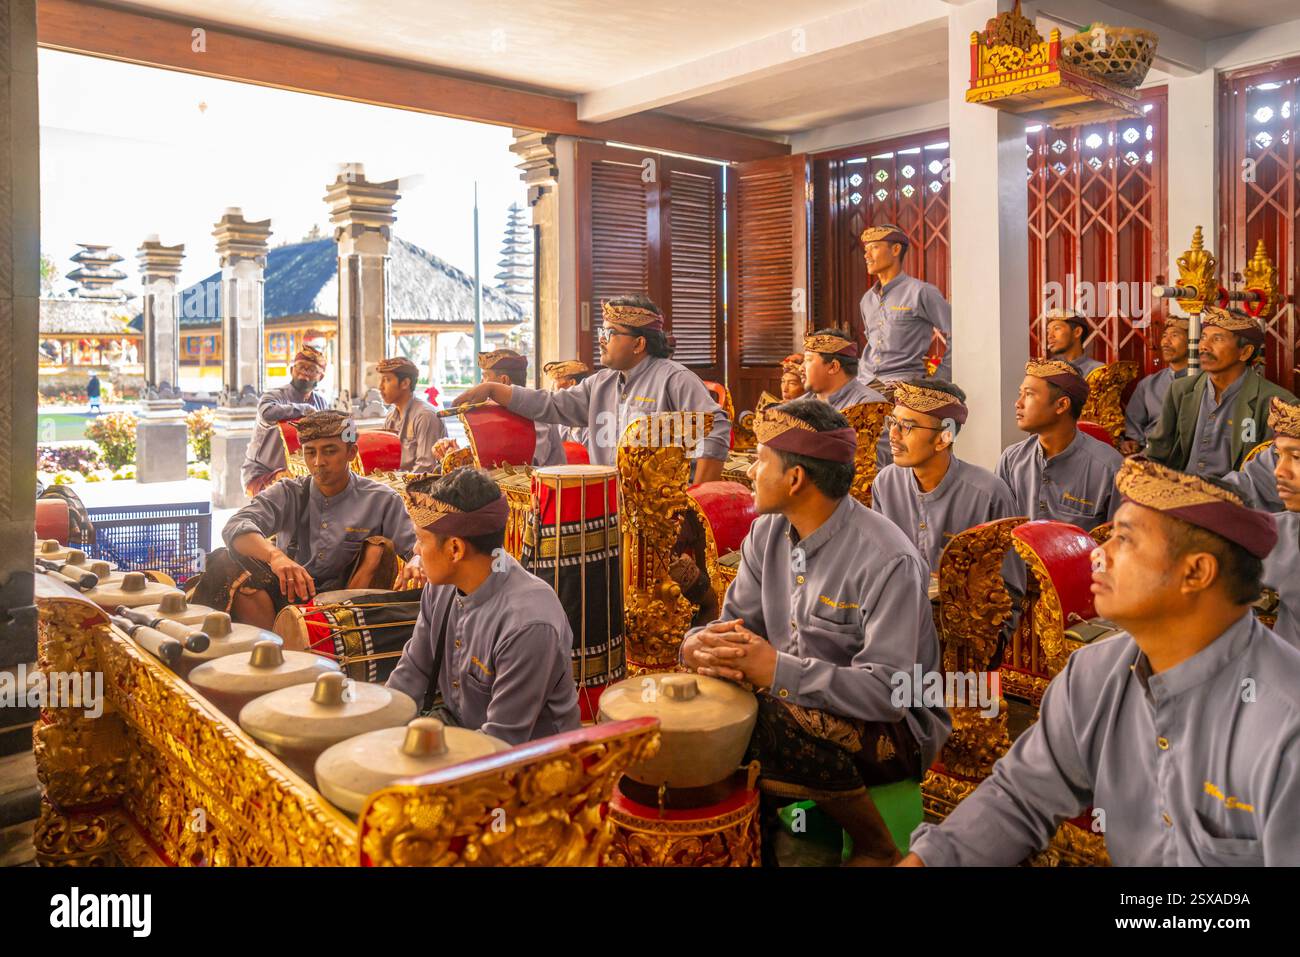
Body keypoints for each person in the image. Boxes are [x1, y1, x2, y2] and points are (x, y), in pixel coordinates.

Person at [902, 457, 1299, 866]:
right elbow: (1019, 798)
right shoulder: (1093, 674)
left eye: (1124, 539)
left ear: (1196, 572)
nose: (1097, 554)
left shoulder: (1285, 722)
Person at [680, 398, 950, 866]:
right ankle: (755, 830)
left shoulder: (888, 559)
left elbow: (891, 691)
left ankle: (876, 845)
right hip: (792, 705)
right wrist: (699, 646)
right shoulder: (766, 535)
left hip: (893, 729)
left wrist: (776, 670)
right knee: (700, 704)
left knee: (768, 719)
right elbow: (733, 623)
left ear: (796, 478)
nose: (750, 471)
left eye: (761, 459)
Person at [386, 468, 582, 745]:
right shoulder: (439, 587)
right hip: (465, 738)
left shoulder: (529, 624)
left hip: (533, 767)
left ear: (455, 549)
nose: (416, 551)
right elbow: (414, 672)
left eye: (421, 539)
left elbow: (503, 739)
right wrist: (374, 734)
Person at [452, 297, 731, 482]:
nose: (601, 339)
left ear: (639, 344)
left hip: (658, 518)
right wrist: (493, 390)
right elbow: (551, 404)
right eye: (602, 330)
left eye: (610, 333)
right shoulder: (602, 383)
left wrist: (695, 508)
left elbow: (715, 429)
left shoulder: (673, 379)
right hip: (607, 507)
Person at [201, 410, 419, 629]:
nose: (318, 462)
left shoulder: (381, 499)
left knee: (378, 548)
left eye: (330, 451)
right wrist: (275, 556)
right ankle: (275, 647)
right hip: (286, 592)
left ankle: (296, 644)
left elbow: (415, 549)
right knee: (226, 560)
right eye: (310, 452)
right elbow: (235, 526)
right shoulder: (289, 491)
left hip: (342, 610)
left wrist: (417, 560)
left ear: (351, 452)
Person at [871, 380, 1022, 592]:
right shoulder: (886, 483)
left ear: (943, 438)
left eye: (907, 426)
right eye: (892, 422)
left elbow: (1009, 591)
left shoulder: (988, 495)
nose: (893, 435)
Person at [1145, 306, 1298, 478]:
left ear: (1245, 352)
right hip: (1181, 493)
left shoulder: (1277, 404)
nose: (1204, 346)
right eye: (1203, 337)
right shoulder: (1180, 390)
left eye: (1217, 339)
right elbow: (1158, 450)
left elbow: (1270, 474)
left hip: (1237, 498)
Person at [998, 359, 1122, 533]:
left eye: (1029, 394)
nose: (1018, 403)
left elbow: (1123, 541)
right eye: (1021, 393)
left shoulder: (1109, 468)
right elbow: (999, 533)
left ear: (1062, 405)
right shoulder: (1011, 460)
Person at [857, 224, 952, 390]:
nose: (866, 255)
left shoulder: (921, 292)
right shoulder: (867, 299)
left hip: (903, 387)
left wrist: (940, 377)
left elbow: (957, 332)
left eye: (874, 248)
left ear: (895, 250)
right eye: (866, 249)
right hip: (864, 385)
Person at [241, 344, 330, 497]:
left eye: (311, 370)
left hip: (301, 476)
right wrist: (303, 410)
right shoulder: (274, 396)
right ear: (291, 371)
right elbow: (267, 414)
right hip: (263, 474)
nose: (304, 374)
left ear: (320, 377)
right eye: (300, 368)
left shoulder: (322, 403)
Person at [1121, 316, 1190, 456]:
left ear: (1193, 342)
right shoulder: (1148, 384)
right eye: (1164, 336)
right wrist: (1132, 442)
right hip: (1152, 455)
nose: (1166, 342)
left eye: (1175, 335)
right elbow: (1134, 428)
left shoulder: (1206, 380)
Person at [1262, 397, 1300, 648]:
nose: (1279, 471)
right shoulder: (1285, 533)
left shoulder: (1286, 536)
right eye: (1278, 455)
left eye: (1296, 457)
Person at [378, 355, 446, 472]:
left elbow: (426, 466)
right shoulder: (391, 416)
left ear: (405, 383)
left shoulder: (425, 416)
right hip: (399, 482)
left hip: (422, 485)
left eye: (387, 380)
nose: (380, 387)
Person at [543, 359, 593, 446]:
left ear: (572, 383)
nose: (551, 388)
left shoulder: (589, 414)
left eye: (555, 382)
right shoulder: (560, 415)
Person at [1043, 309, 1103, 379]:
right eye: (1048, 331)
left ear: (1077, 332)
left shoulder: (1097, 371)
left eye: (1057, 329)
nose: (1050, 336)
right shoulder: (1046, 370)